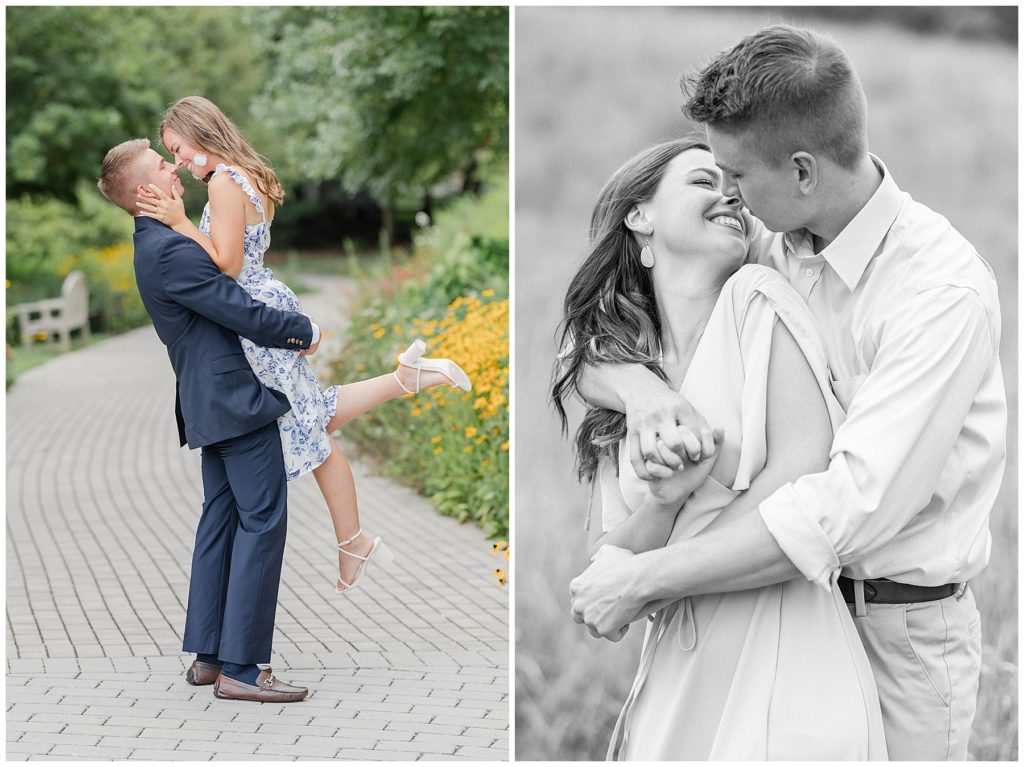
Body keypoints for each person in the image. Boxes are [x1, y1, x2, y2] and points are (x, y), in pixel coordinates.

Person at [568, 25, 1005, 760]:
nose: (728, 195)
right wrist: (643, 394)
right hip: (777, 608)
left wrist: (644, 577)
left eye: (734, 174)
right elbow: (587, 342)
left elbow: (841, 509)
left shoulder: (939, 292)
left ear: (802, 171)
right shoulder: (776, 240)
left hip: (899, 631)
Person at [554, 136, 886, 759]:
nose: (728, 194)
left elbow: (802, 466)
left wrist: (653, 580)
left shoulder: (755, 300)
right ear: (640, 215)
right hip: (681, 666)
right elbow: (606, 556)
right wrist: (662, 501)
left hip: (783, 645)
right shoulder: (623, 377)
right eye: (703, 182)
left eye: (733, 187)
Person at [136, 96, 472, 596]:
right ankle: (405, 384)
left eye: (179, 149)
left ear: (200, 133)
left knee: (313, 426)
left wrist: (180, 224)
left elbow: (225, 266)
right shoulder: (246, 175)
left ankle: (355, 535)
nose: (180, 163)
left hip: (251, 319)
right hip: (262, 303)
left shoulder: (226, 183)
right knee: (314, 420)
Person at [98, 138, 316, 702]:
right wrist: (302, 330)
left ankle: (210, 657)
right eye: (163, 165)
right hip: (232, 403)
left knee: (220, 521)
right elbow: (235, 308)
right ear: (147, 190)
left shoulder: (159, 241)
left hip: (211, 403)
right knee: (263, 521)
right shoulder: (168, 251)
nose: (175, 169)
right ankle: (243, 670)